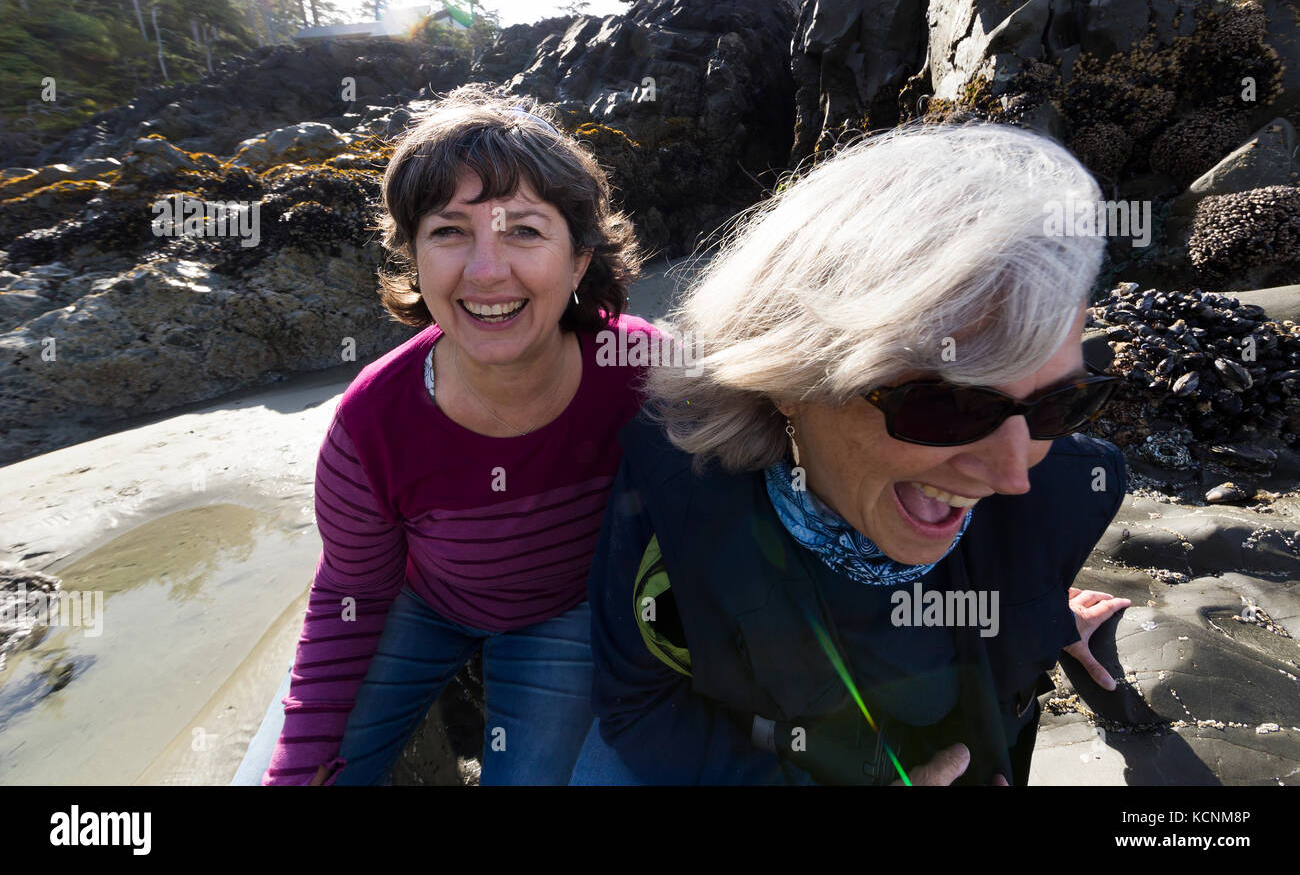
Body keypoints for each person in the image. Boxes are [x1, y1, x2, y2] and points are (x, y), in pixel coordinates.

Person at [571, 121, 1132, 786]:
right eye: (948, 406)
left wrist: (1042, 611)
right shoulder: (674, 499)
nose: (1013, 475)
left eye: (1057, 405)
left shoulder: (1060, 495)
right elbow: (640, 703)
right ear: (787, 381)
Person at [248, 85, 657, 784]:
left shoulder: (644, 373)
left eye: (524, 230)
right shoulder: (371, 423)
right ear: (413, 255)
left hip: (566, 612)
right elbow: (350, 591)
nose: (486, 269)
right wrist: (301, 759)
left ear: (580, 258)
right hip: (422, 604)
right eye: (448, 231)